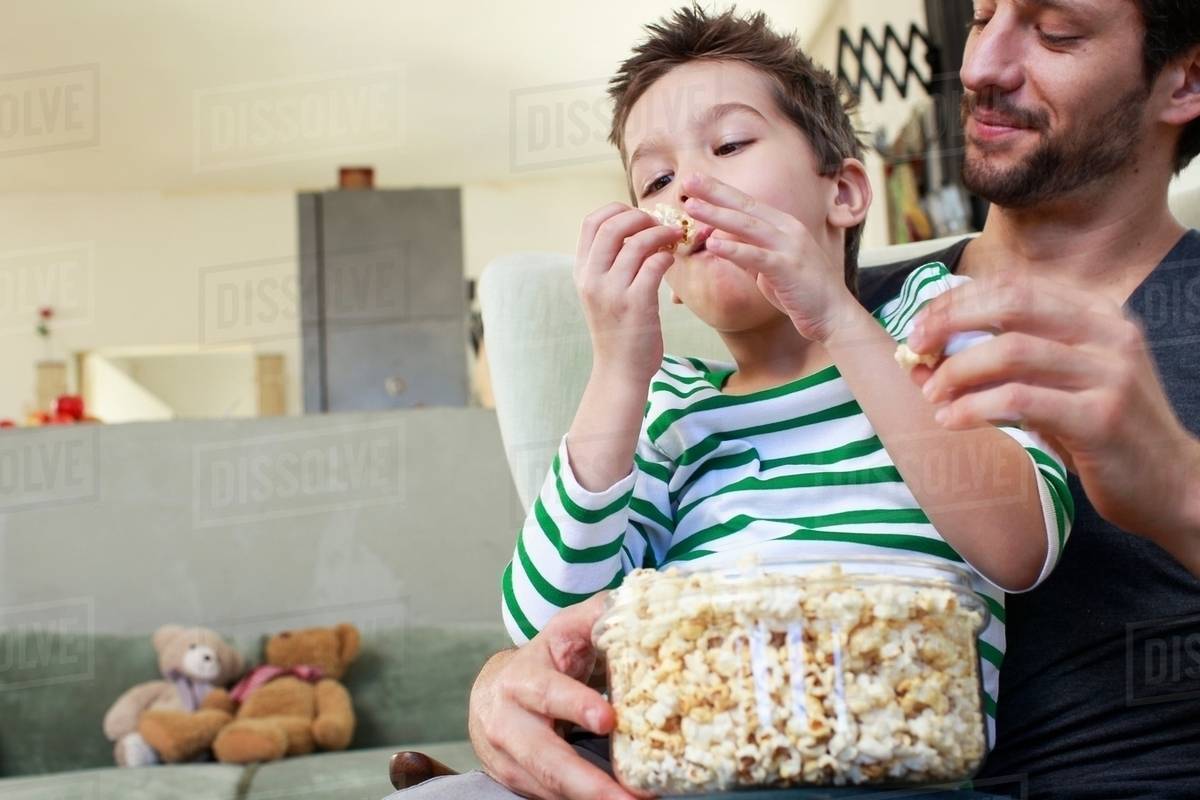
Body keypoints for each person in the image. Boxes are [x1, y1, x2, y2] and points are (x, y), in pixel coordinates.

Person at [388, 5, 1082, 799]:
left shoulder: (936, 318)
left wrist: (837, 318)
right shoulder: (672, 409)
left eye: (730, 145)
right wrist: (619, 369)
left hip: (889, 756)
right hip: (677, 765)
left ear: (846, 192)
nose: (688, 185)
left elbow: (1018, 544)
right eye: (655, 179)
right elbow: (545, 619)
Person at [854, 1, 1200, 797]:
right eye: (982, 16)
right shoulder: (835, 314)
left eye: (1055, 32)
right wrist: (511, 685)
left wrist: (1179, 490)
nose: (981, 67)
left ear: (1185, 81)